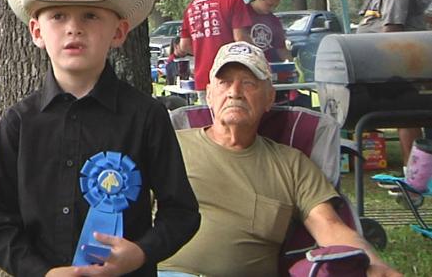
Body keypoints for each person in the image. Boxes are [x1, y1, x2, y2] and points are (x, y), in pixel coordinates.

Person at [0, 0, 200, 276]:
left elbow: (182, 212)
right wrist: (43, 272)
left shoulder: (146, 117)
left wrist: (140, 253)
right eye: (58, 16)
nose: (74, 28)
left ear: (119, 32)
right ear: (37, 32)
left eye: (91, 15)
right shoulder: (19, 123)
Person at [159, 42, 401, 277]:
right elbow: (129, 214)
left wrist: (376, 264)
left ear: (269, 98)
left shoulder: (292, 164)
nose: (234, 92)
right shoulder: (171, 145)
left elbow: (330, 227)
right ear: (209, 95)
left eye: (248, 83)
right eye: (224, 83)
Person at [357, 0, 432, 164]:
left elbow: (393, 26)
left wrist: (383, 62)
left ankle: (414, 172)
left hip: (401, 60)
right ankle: (415, 170)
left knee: (407, 116)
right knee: (405, 117)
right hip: (399, 59)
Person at [176, 0, 253, 102]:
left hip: (203, 79)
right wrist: (257, 53)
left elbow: (184, 45)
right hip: (230, 77)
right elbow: (240, 38)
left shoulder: (192, 5)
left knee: (210, 121)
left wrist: (204, 51)